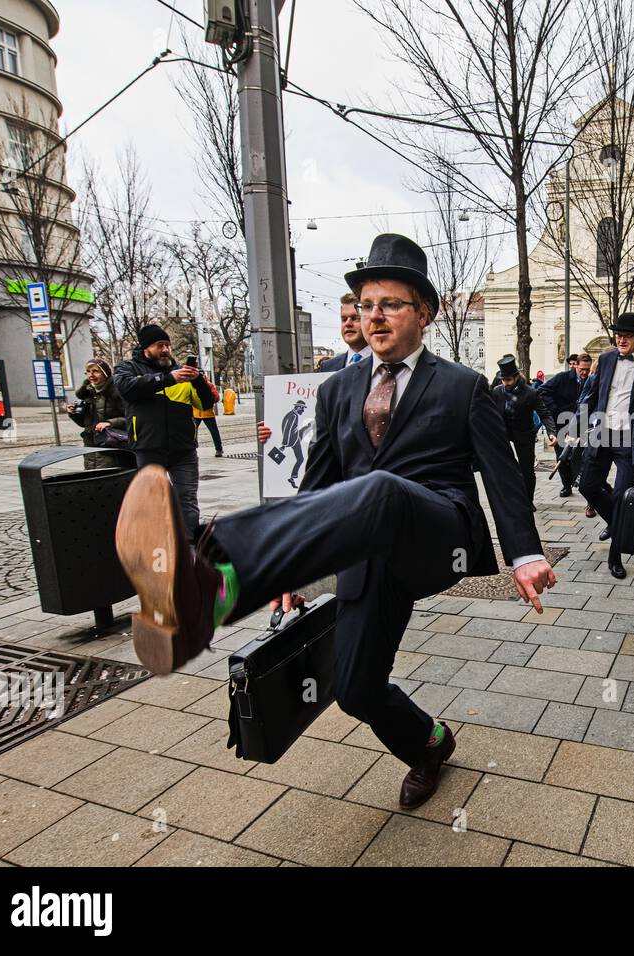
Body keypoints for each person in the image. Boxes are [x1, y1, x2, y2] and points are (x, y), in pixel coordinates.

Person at [115, 233, 555, 811]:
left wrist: (524, 554)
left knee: (378, 491)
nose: (375, 317)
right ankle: (428, 744)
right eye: (366, 305)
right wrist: (290, 571)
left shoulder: (463, 386)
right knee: (353, 689)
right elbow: (318, 484)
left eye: (391, 304)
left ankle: (211, 578)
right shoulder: (341, 387)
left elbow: (502, 476)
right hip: (367, 549)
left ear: (423, 312)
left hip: (437, 527)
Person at [113, 325, 216, 538]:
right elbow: (127, 388)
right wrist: (168, 379)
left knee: (187, 499)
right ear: (145, 349)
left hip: (183, 450)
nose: (166, 350)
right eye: (160, 345)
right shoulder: (128, 368)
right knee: (151, 501)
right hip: (148, 448)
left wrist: (197, 380)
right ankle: (157, 545)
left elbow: (206, 403)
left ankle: (189, 549)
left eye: (168, 345)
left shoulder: (180, 372)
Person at [578, 312, 634, 579]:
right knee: (587, 486)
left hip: (630, 439)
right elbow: (592, 393)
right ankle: (614, 523)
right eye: (618, 334)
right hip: (602, 432)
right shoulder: (606, 358)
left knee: (621, 497)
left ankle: (615, 556)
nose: (621, 339)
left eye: (627, 336)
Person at [492, 354, 557, 509]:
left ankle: (528, 500)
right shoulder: (497, 391)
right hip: (504, 432)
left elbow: (544, 413)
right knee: (504, 466)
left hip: (524, 432)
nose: (505, 383)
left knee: (526, 469)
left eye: (508, 380)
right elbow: (489, 411)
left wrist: (551, 432)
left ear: (516, 378)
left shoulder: (530, 393)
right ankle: (509, 498)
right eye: (503, 380)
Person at [539, 352, 592, 497]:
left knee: (582, 456)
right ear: (576, 366)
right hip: (562, 422)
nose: (585, 372)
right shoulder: (562, 378)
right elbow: (542, 391)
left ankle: (581, 482)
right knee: (562, 455)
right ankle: (566, 485)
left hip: (582, 424)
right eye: (582, 369)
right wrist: (555, 409)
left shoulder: (591, 380)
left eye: (588, 369)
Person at [65, 358, 126, 469]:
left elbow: (131, 418)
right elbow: (84, 424)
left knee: (108, 478)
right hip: (90, 448)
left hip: (111, 446)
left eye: (95, 371)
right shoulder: (88, 394)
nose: (91, 375)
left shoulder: (116, 392)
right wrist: (73, 414)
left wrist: (109, 423)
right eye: (88, 372)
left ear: (105, 373)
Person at [318, 292, 370, 371]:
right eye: (344, 319)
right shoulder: (327, 367)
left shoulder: (386, 362)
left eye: (355, 318)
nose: (348, 324)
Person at [192, 370, 224, 457]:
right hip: (204, 412)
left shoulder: (193, 384)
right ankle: (219, 449)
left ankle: (193, 451)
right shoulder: (209, 384)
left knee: (192, 433)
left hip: (199, 412)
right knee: (214, 432)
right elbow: (216, 397)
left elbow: (216, 397)